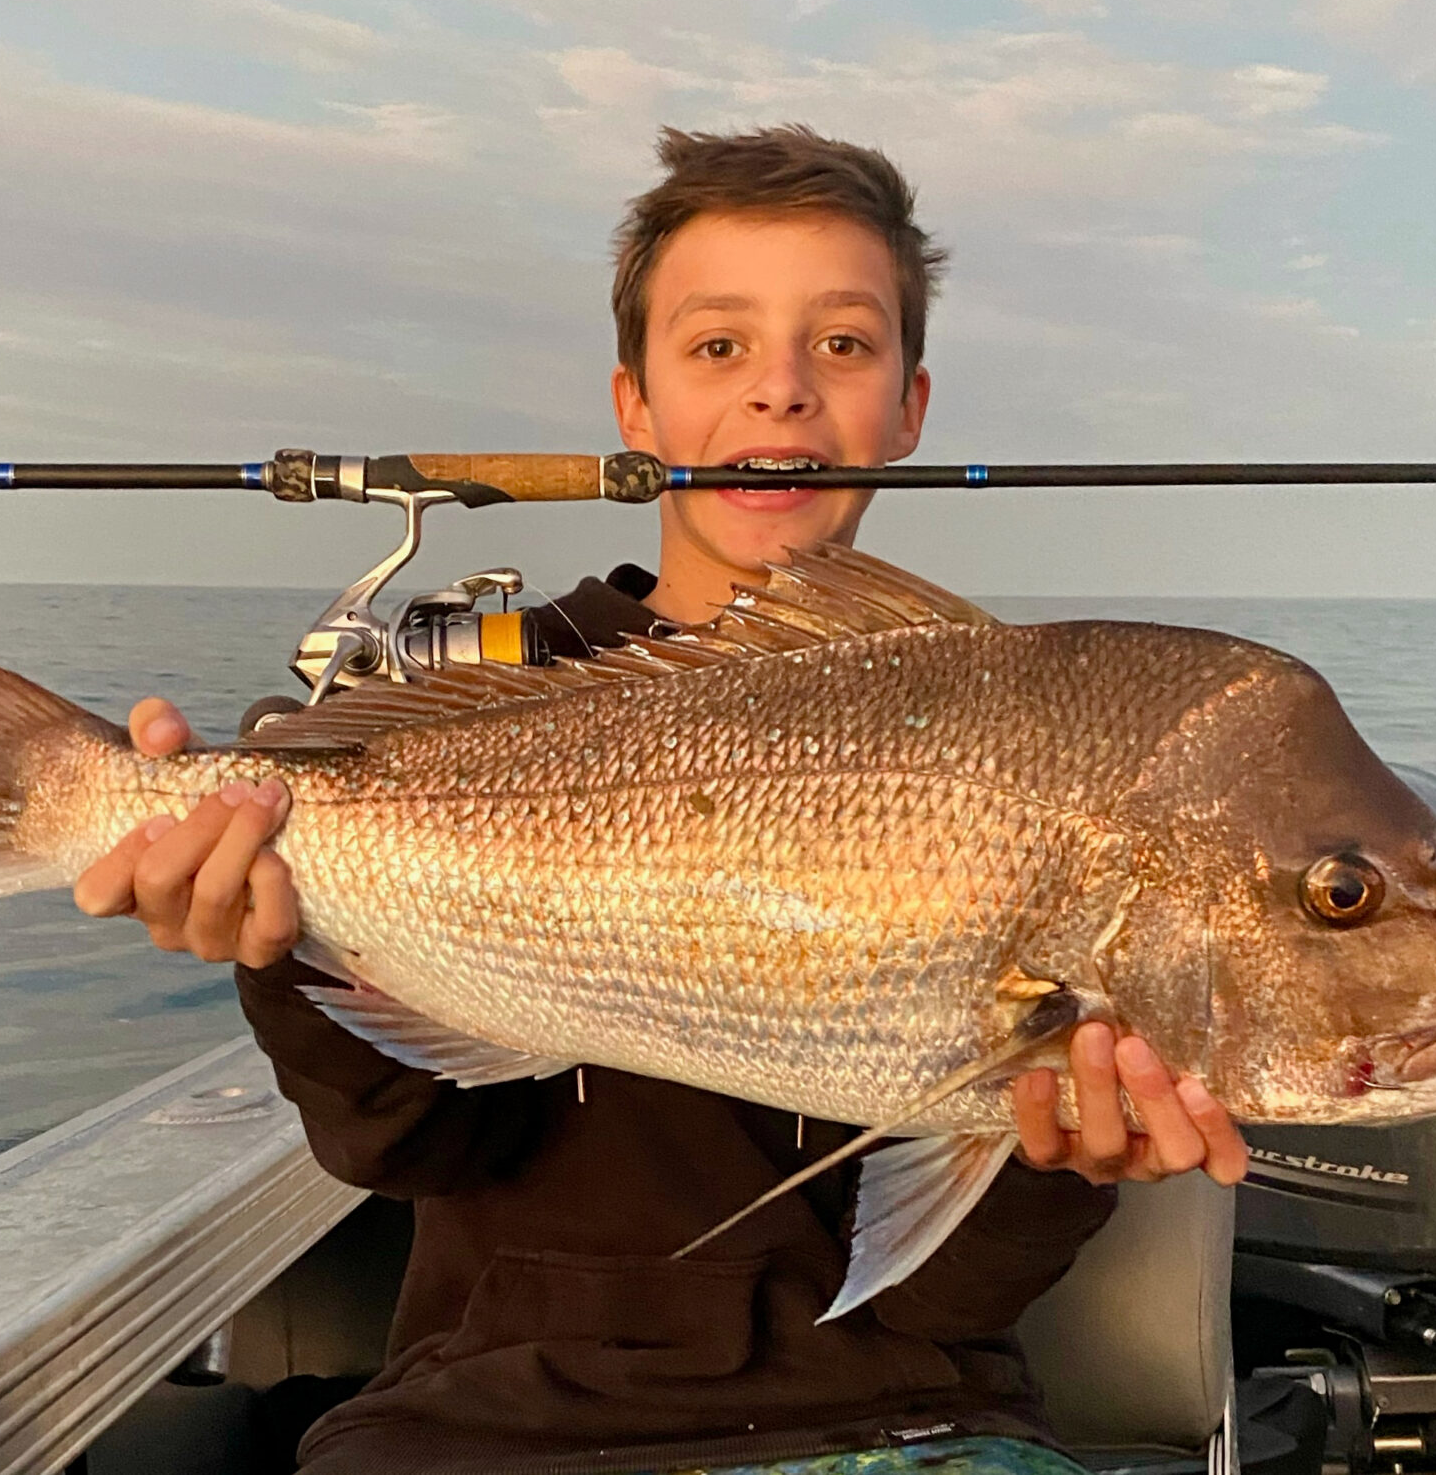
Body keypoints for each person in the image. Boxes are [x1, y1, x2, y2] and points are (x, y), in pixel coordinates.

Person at [74, 126, 1248, 1475]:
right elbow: (413, 1141)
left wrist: (1062, 1158)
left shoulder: (1013, 726)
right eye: (718, 348)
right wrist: (278, 945)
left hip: (906, 1421)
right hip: (490, 1421)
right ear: (635, 406)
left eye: (845, 346)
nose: (783, 396)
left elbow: (929, 1307)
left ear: (911, 405)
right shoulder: (505, 702)